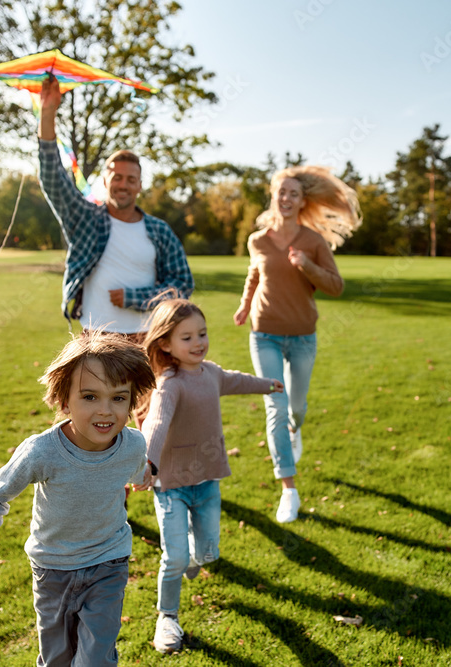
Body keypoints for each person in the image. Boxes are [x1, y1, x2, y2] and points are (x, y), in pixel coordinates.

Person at [0, 331, 156, 667]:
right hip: (53, 571)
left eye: (118, 398)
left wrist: (144, 477)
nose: (106, 412)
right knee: (57, 659)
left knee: (95, 660)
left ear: (133, 401)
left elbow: (137, 469)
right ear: (64, 401)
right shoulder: (42, 452)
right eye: (90, 397)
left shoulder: (134, 444)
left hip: (109, 563)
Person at [135, 299, 283, 653]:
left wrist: (267, 384)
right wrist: (148, 464)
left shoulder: (211, 373)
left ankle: (192, 553)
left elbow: (236, 380)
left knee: (209, 553)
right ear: (166, 344)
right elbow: (155, 424)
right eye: (187, 337)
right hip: (171, 485)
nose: (198, 342)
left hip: (207, 481)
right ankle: (167, 618)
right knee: (174, 558)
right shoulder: (169, 385)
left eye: (202, 333)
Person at [233, 165, 361, 524]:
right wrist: (245, 305)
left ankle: (296, 426)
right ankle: (289, 489)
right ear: (273, 196)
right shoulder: (257, 240)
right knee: (275, 406)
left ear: (302, 202)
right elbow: (254, 274)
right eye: (281, 192)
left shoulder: (312, 241)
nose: (286, 198)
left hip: (303, 337)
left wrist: (307, 266)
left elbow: (336, 285)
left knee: (296, 408)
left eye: (293, 193)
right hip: (265, 335)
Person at [38, 75, 193, 337]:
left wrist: (137, 298)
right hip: (95, 338)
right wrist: (47, 113)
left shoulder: (159, 230)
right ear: (105, 181)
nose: (123, 185)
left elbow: (183, 283)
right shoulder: (85, 219)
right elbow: (52, 177)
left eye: (130, 179)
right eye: (117, 178)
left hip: (148, 338)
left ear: (140, 185)